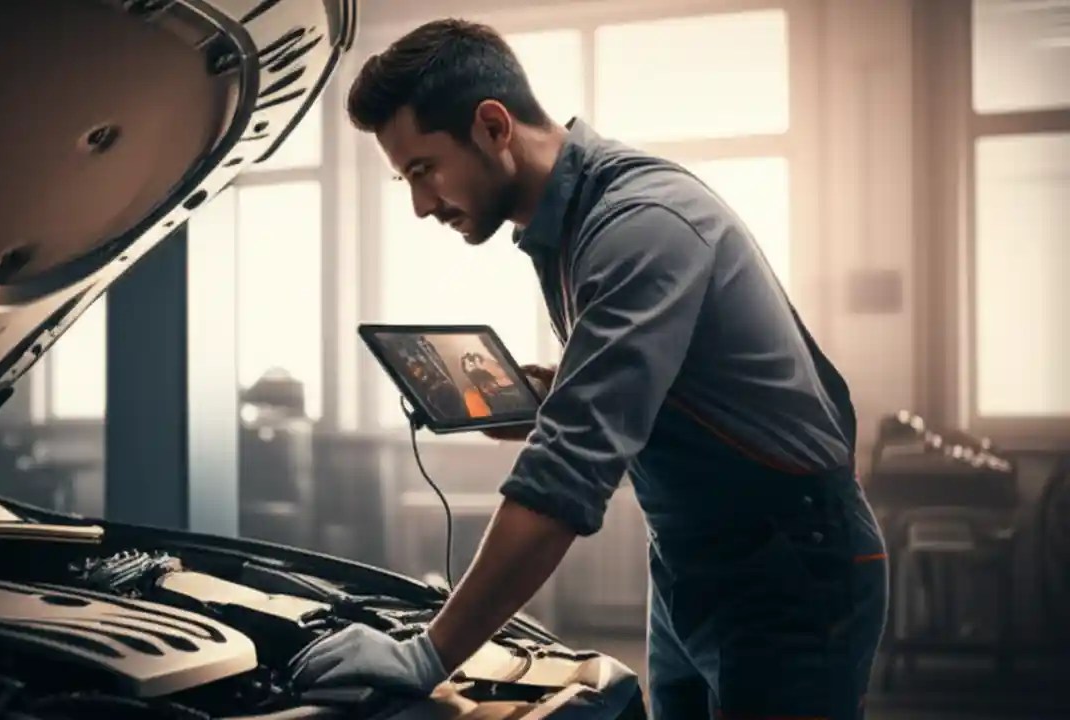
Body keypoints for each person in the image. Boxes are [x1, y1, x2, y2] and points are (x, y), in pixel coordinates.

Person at [289, 18, 889, 720]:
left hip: (790, 565)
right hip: (691, 560)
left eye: (423, 170)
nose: (421, 205)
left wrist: (429, 654)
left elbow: (566, 474)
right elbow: (657, 389)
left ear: (492, 126)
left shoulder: (640, 224)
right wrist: (551, 395)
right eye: (405, 181)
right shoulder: (566, 226)